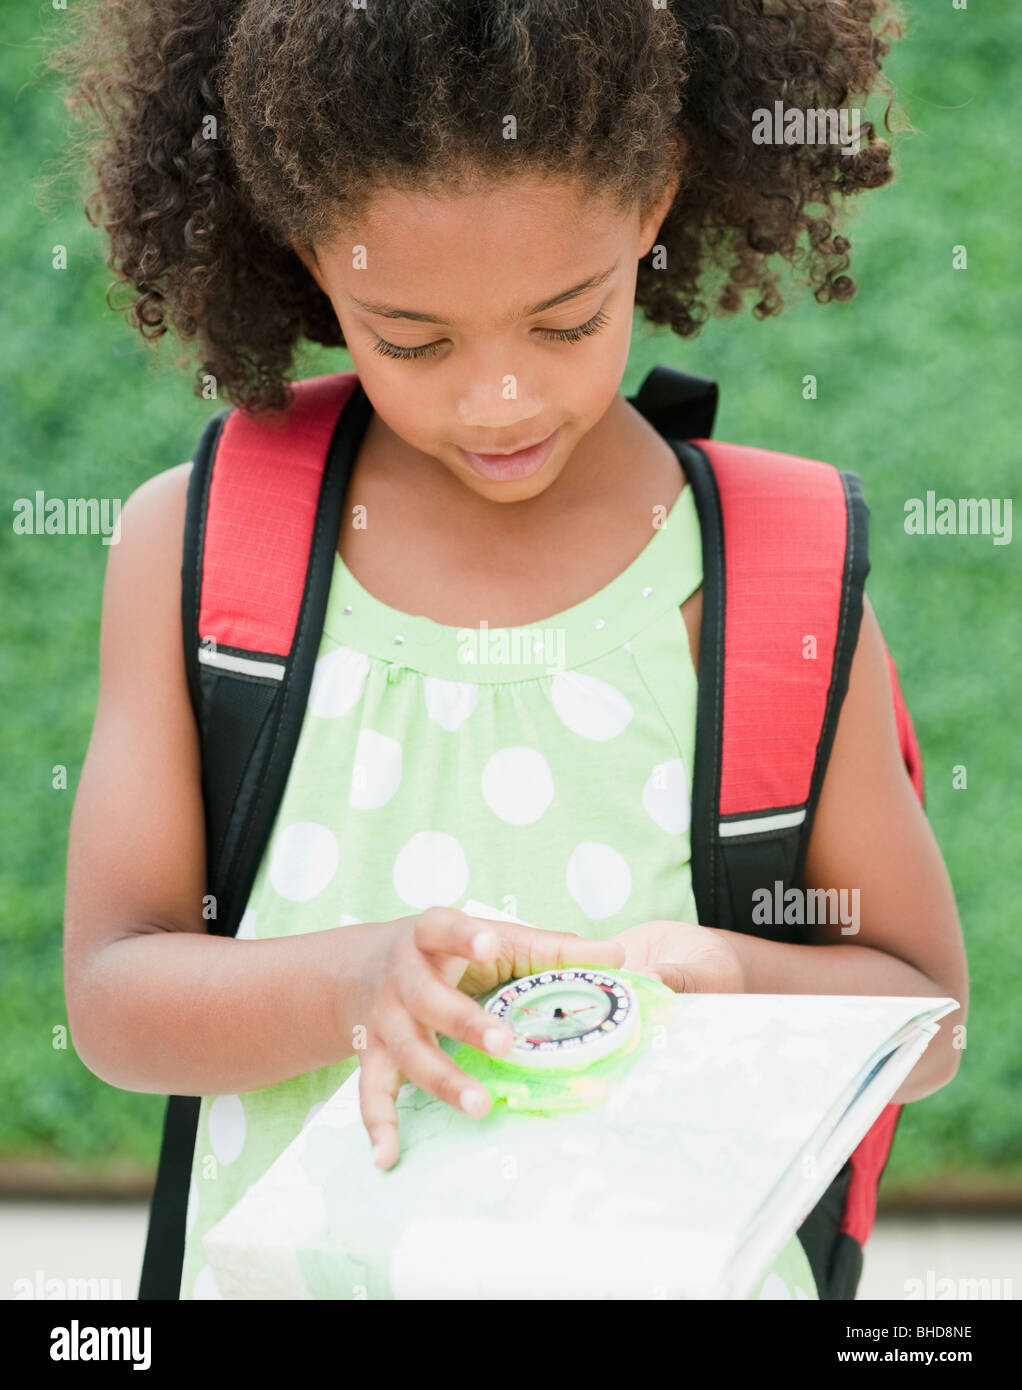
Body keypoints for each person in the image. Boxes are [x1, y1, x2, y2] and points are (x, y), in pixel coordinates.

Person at [55, 0, 967, 1300]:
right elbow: (113, 991)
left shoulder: (765, 577)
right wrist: (352, 984)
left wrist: (733, 977)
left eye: (565, 320)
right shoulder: (196, 549)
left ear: (653, 199)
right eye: (410, 338)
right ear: (311, 249)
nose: (499, 399)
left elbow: (921, 1014)